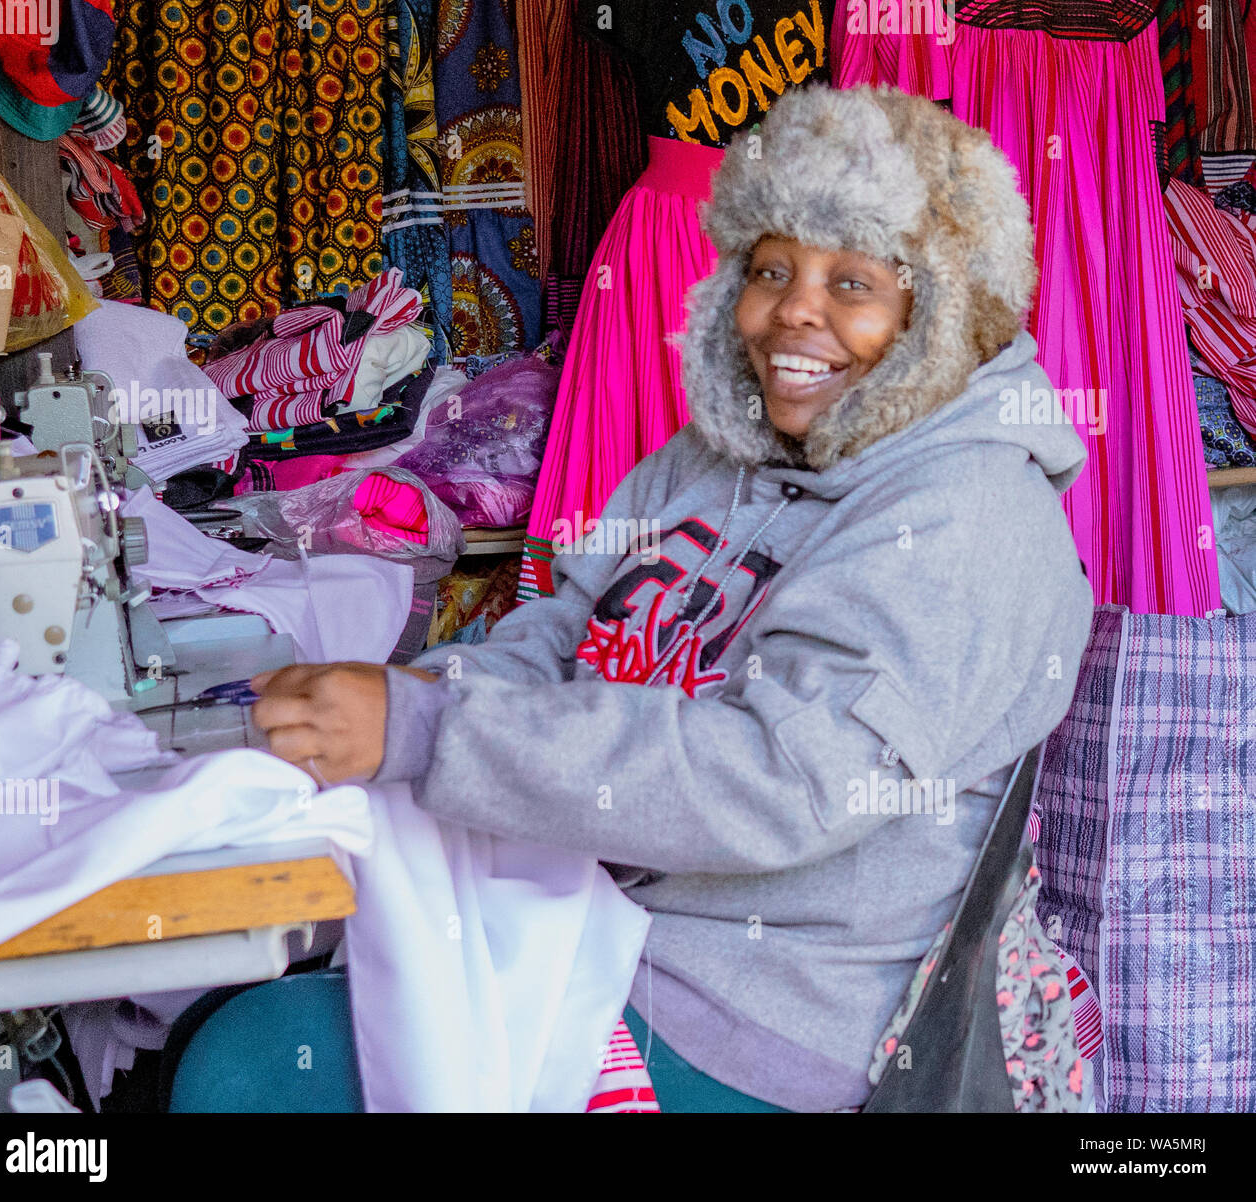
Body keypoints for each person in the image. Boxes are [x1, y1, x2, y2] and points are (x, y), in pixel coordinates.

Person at [250, 82, 1094, 1113]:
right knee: (256, 1001)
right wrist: (401, 704)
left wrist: (430, 732)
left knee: (255, 1068)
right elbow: (563, 633)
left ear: (941, 311)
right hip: (593, 922)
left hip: (762, 1014)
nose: (795, 307)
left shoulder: (966, 519)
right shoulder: (709, 460)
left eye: (853, 281)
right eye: (772, 267)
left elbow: (776, 779)